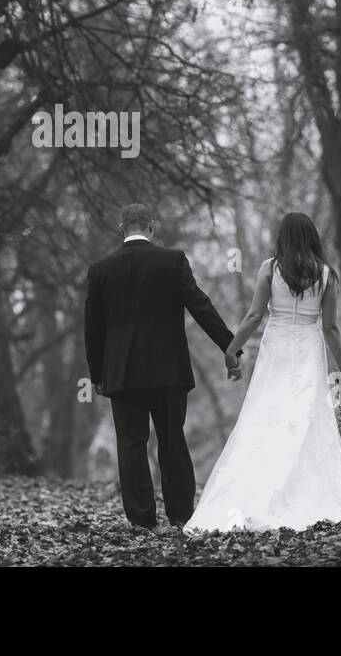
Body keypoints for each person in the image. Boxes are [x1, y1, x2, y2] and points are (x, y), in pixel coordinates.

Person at [184, 211, 341, 532]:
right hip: (308, 349)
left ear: (283, 237)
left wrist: (232, 349)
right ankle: (307, 496)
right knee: (306, 419)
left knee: (265, 413)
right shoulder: (325, 275)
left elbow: (253, 317)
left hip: (276, 348)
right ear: (312, 237)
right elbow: (331, 328)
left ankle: (255, 491)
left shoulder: (270, 268)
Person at [84, 203, 240, 529]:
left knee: (130, 444)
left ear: (121, 227)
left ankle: (142, 521)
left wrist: (97, 374)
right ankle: (180, 516)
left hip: (123, 373)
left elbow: (93, 328)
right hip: (168, 370)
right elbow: (200, 304)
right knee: (172, 441)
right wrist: (230, 345)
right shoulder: (172, 261)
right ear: (152, 226)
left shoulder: (101, 270)